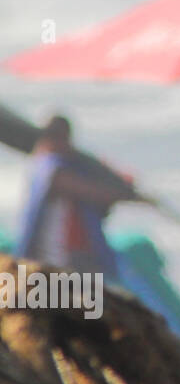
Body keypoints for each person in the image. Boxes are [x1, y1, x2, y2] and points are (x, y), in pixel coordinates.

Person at [14, 114, 141, 281]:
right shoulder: (51, 169)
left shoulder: (74, 165)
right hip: (56, 258)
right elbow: (93, 192)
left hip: (78, 256)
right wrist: (123, 191)